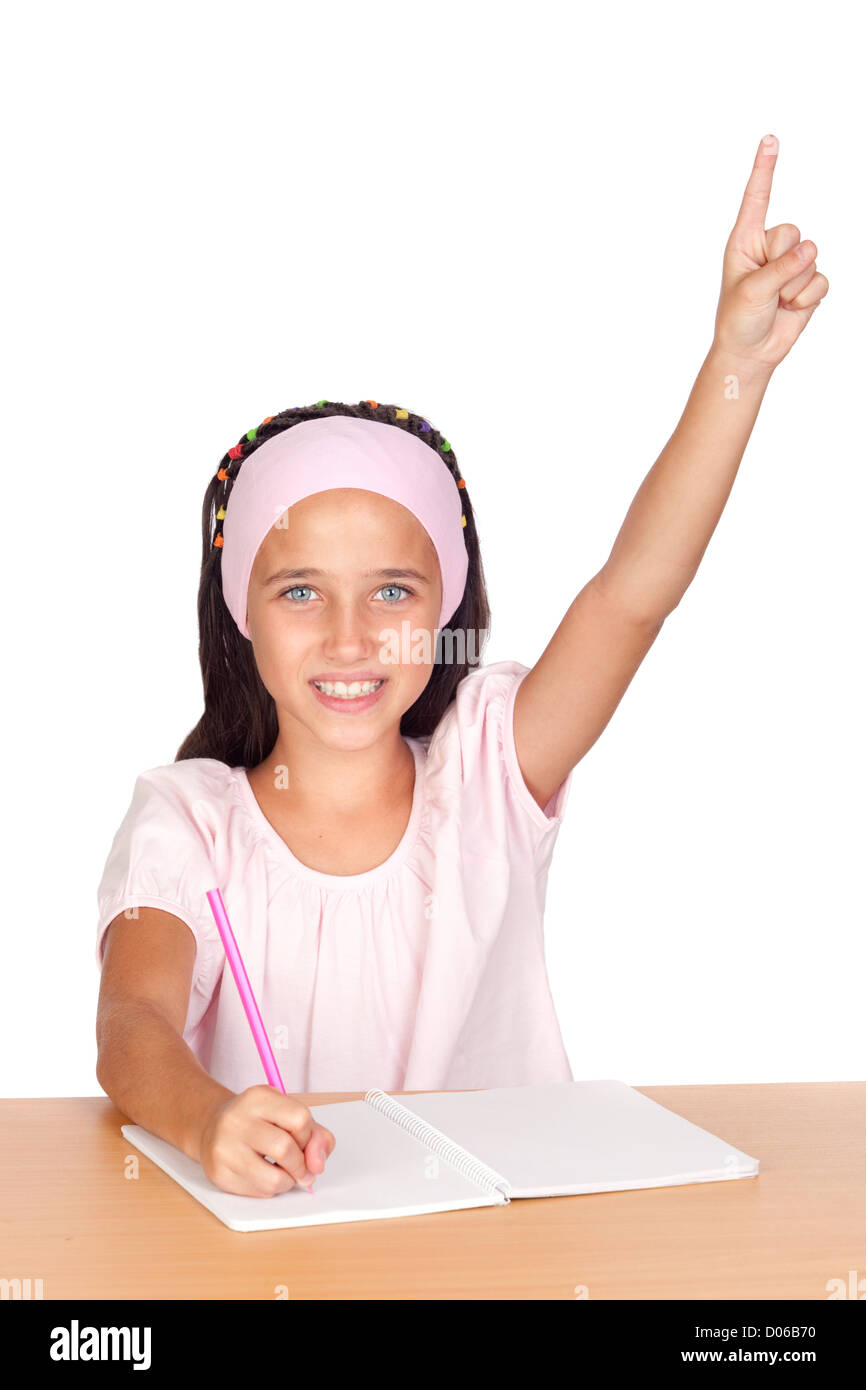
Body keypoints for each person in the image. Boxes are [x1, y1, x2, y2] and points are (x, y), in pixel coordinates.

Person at [94, 134, 828, 1198]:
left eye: (392, 590)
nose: (349, 636)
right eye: (299, 590)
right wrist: (208, 1117)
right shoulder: (188, 822)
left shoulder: (489, 765)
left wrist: (735, 367)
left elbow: (632, 590)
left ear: (443, 609)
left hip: (503, 1249)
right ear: (238, 613)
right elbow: (131, 1024)